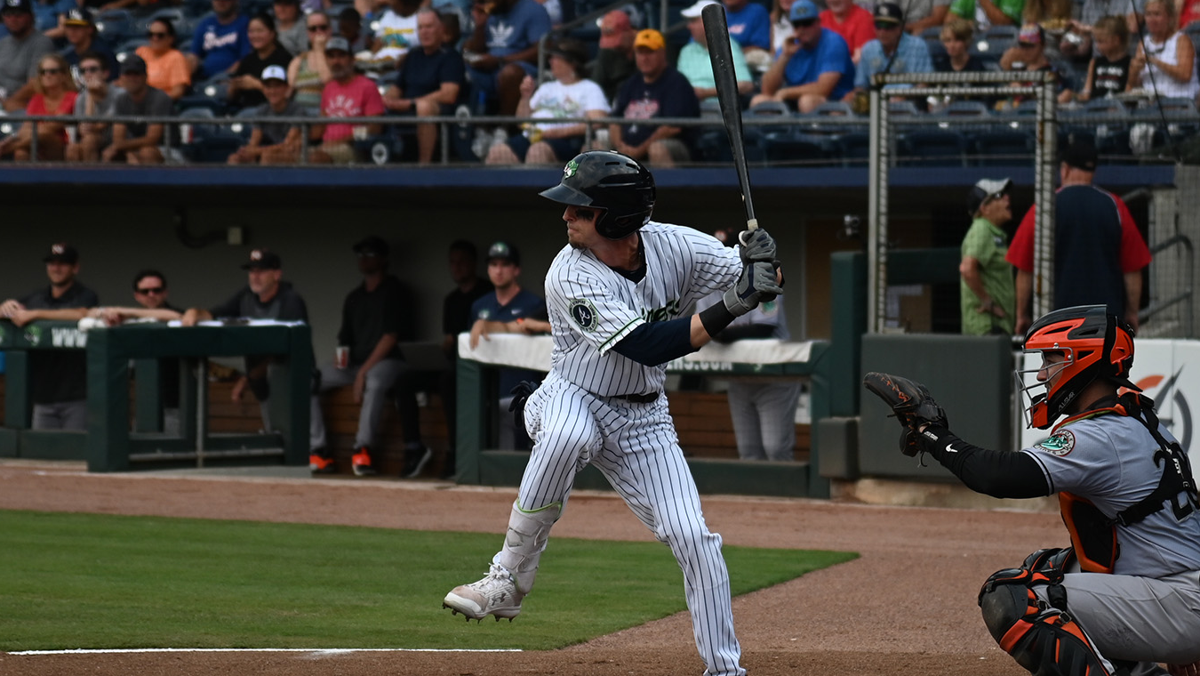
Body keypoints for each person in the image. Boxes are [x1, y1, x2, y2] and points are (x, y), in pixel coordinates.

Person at [441, 150, 783, 676]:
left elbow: (760, 278)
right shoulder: (568, 273)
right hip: (572, 393)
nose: (565, 216)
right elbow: (648, 344)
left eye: (579, 208)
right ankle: (506, 577)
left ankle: (725, 670)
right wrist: (735, 302)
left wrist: (761, 261)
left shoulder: (678, 246)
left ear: (616, 217)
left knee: (695, 538)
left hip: (645, 420)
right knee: (566, 437)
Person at [865, 305, 1200, 676]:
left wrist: (932, 434)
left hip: (1183, 602)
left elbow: (998, 477)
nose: (1041, 373)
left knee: (1013, 599)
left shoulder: (1104, 433)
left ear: (1084, 359)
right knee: (1045, 568)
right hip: (1181, 593)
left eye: (1052, 358)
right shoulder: (1137, 418)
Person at [1006, 139, 1152, 334]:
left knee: (1061, 365)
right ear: (1093, 171)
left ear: (1064, 169)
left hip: (1057, 323)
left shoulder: (1044, 207)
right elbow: (1132, 270)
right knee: (1102, 365)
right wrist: (1132, 312)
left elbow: (1025, 269)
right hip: (1105, 323)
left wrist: (1022, 315)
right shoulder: (1115, 206)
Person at [696, 228, 800, 462]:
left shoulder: (763, 276)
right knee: (748, 452)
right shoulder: (705, 285)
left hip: (774, 377)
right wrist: (716, 331)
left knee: (776, 450)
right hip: (739, 378)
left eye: (724, 252)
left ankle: (781, 497)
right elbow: (701, 327)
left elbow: (764, 328)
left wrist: (719, 331)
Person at [180, 249, 311, 433]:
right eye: (252, 271)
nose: (255, 277)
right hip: (261, 382)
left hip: (292, 380)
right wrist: (193, 312)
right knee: (274, 432)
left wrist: (248, 377)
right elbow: (216, 313)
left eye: (261, 271)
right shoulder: (246, 296)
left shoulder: (290, 299)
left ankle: (316, 453)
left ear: (277, 274)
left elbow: (289, 346)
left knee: (299, 436)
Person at [309, 236, 408, 478]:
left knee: (373, 382)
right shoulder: (355, 296)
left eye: (370, 254)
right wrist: (341, 358)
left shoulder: (395, 291)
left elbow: (390, 337)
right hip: (354, 365)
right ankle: (318, 449)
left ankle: (363, 450)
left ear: (383, 259)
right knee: (308, 379)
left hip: (389, 362)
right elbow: (344, 340)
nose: (364, 259)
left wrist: (362, 373)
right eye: (360, 254)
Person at [0, 243, 99, 431]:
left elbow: (83, 313)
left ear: (75, 268)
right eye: (52, 263)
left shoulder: (85, 295)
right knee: (43, 454)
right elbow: (11, 311)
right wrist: (6, 307)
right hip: (42, 396)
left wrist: (34, 314)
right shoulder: (36, 298)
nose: (56, 268)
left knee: (75, 453)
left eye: (63, 263)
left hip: (77, 395)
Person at [467, 240, 550, 449]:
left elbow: (520, 326)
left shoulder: (533, 304)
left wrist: (490, 325)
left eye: (504, 265)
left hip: (525, 393)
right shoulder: (479, 306)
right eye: (494, 264)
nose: (498, 270)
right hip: (490, 393)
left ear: (516, 270)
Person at [87, 270, 184, 435]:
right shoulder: (130, 321)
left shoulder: (177, 315)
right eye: (145, 291)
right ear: (137, 296)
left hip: (174, 404)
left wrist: (126, 312)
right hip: (141, 405)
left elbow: (176, 317)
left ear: (165, 292)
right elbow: (88, 314)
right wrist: (106, 314)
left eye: (157, 290)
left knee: (173, 453)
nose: (151, 295)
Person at [485, 37, 609, 165]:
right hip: (531, 137)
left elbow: (597, 121)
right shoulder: (546, 87)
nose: (550, 61)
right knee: (497, 152)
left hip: (566, 141)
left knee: (538, 152)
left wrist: (557, 133)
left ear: (572, 62)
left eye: (556, 58)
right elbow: (521, 121)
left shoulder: (589, 88)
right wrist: (525, 97)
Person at [435, 239, 493, 477]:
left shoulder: (486, 294)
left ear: (473, 264)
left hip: (479, 367)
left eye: (461, 262)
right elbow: (449, 338)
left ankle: (454, 452)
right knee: (407, 381)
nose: (456, 268)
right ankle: (414, 451)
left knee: (449, 381)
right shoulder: (451, 299)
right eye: (452, 263)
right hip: (453, 363)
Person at [382, 8, 465, 164]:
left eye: (429, 26)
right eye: (420, 27)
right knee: (375, 99)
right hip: (408, 105)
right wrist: (388, 98)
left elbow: (449, 94)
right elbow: (398, 87)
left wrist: (410, 103)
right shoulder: (413, 55)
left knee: (424, 107)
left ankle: (424, 164)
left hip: (439, 110)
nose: (424, 32)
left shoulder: (451, 57)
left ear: (441, 29)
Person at [607, 29, 700, 167]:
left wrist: (638, 151)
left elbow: (671, 128)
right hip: (628, 149)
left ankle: (666, 188)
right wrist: (621, 148)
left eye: (650, 52)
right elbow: (614, 121)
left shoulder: (676, 82)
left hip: (673, 148)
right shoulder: (631, 83)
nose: (644, 58)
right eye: (640, 52)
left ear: (663, 53)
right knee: (595, 144)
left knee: (657, 149)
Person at [752, 0, 855, 112]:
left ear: (818, 22)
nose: (802, 29)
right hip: (794, 101)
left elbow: (823, 88)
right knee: (759, 101)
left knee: (807, 101)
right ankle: (774, 130)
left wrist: (786, 93)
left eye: (807, 23)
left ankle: (814, 130)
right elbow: (767, 90)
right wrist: (785, 56)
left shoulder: (833, 42)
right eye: (797, 24)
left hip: (834, 103)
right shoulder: (789, 46)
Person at [462, 0, 551, 118]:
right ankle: (469, 128)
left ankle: (504, 127)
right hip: (489, 66)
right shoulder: (490, 11)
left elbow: (542, 49)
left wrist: (500, 61)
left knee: (510, 73)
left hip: (520, 67)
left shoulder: (533, 10)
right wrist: (480, 26)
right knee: (455, 67)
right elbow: (476, 49)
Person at [310, 35, 386, 164]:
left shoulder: (368, 86)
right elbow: (320, 127)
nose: (336, 61)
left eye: (341, 56)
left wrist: (342, 140)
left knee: (314, 159)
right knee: (279, 157)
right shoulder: (328, 88)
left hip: (354, 148)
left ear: (352, 60)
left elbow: (374, 128)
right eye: (331, 57)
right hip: (325, 146)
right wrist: (297, 140)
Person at [843, 2, 932, 103]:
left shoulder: (917, 46)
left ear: (900, 28)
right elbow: (861, 85)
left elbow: (924, 84)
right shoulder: (869, 48)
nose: (882, 32)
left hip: (910, 105)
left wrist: (902, 98)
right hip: (875, 104)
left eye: (888, 27)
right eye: (878, 26)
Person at [959, 177, 1016, 335]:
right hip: (987, 327)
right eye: (999, 196)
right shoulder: (982, 229)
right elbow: (967, 268)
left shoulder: (992, 233)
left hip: (996, 326)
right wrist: (987, 302)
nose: (1007, 197)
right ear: (985, 208)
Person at [101, 55, 177, 165]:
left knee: (147, 152)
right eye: (128, 74)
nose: (132, 78)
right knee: (109, 154)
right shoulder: (121, 99)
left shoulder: (160, 98)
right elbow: (118, 138)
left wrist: (123, 147)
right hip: (133, 148)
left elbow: (152, 139)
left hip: (168, 149)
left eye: (136, 74)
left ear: (145, 76)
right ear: (121, 77)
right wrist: (128, 152)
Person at [0, 53, 77, 161]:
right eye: (43, 72)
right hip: (34, 144)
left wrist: (12, 143)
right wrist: (18, 137)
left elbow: (52, 126)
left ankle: (5, 150)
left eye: (53, 72)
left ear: (64, 75)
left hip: (62, 147)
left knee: (43, 133)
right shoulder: (37, 99)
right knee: (21, 153)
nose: (47, 75)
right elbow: (24, 128)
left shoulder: (72, 97)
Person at [677, 0, 754, 102]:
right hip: (688, 109)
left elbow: (746, 85)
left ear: (709, 22)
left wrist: (706, 93)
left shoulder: (729, 47)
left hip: (719, 111)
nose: (689, 26)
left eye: (694, 21)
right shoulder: (686, 51)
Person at [228, 65, 306, 164]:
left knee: (268, 157)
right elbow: (254, 142)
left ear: (286, 88)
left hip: (293, 154)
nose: (272, 91)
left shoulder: (297, 110)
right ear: (264, 89)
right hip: (267, 151)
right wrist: (246, 152)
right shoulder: (262, 110)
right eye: (268, 86)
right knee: (234, 158)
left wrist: (257, 151)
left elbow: (287, 145)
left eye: (277, 86)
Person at [1129, 0, 1199, 101]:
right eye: (1148, 14)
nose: (1152, 19)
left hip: (1179, 101)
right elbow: (1135, 84)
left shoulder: (1181, 40)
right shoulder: (1143, 43)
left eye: (1157, 14)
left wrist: (1155, 61)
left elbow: (1185, 75)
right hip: (1149, 103)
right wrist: (1134, 72)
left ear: (1170, 18)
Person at [227, 13, 294, 110]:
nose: (255, 35)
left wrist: (256, 84)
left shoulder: (284, 58)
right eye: (251, 31)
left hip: (273, 112)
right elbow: (231, 98)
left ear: (272, 33)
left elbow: (287, 94)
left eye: (260, 31)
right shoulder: (247, 60)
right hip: (245, 112)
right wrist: (234, 87)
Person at [0, 0, 55, 112]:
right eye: (8, 15)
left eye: (18, 15)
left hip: (24, 105)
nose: (13, 19)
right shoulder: (3, 43)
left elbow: (35, 84)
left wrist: (8, 102)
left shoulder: (41, 43)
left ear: (30, 16)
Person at [998, 23, 1074, 105]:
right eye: (1023, 45)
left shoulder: (1052, 71)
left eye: (1031, 46)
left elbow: (1057, 99)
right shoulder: (1017, 69)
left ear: (1043, 45)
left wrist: (1024, 91)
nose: (1026, 50)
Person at [187, 0, 252, 81]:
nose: (221, 2)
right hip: (205, 79)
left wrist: (225, 77)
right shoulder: (206, 23)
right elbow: (194, 55)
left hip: (232, 79)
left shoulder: (244, 23)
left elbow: (245, 59)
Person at [1075, 15, 1131, 101]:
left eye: (1101, 41)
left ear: (1116, 40)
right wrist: (1072, 95)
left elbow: (1129, 94)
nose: (1097, 46)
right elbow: (1086, 94)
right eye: (1096, 41)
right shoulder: (1095, 62)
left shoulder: (1130, 63)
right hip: (1094, 108)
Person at [287, 10, 332, 112]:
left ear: (330, 29)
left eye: (323, 27)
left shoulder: (339, 57)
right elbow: (291, 85)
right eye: (313, 29)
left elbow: (327, 81)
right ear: (307, 32)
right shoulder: (299, 60)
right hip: (300, 113)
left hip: (325, 113)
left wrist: (319, 51)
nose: (318, 32)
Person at [136, 18, 191, 100]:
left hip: (161, 104)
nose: (155, 38)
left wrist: (158, 101)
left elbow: (178, 91)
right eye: (151, 35)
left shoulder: (176, 57)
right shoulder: (141, 52)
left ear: (170, 38)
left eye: (160, 35)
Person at [590, 8, 636, 101]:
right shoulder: (607, 51)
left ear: (628, 32)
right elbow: (595, 86)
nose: (613, 47)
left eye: (617, 44)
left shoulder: (647, 48)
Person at [59, 8, 117, 82]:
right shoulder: (67, 56)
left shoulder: (104, 54)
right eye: (69, 27)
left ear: (90, 29)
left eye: (77, 27)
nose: (72, 31)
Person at [368, 0, 420, 68]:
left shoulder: (420, 17)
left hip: (407, 64)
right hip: (381, 64)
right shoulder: (388, 16)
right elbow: (377, 45)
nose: (390, 3)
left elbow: (418, 47)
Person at [724, 0, 773, 70]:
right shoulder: (717, 12)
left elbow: (761, 46)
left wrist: (732, 54)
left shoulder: (757, 11)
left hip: (747, 66)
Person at [948, 0, 1023, 30]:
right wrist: (970, 24)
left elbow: (1003, 23)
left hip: (1005, 41)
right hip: (973, 43)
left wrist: (984, 1)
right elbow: (950, 22)